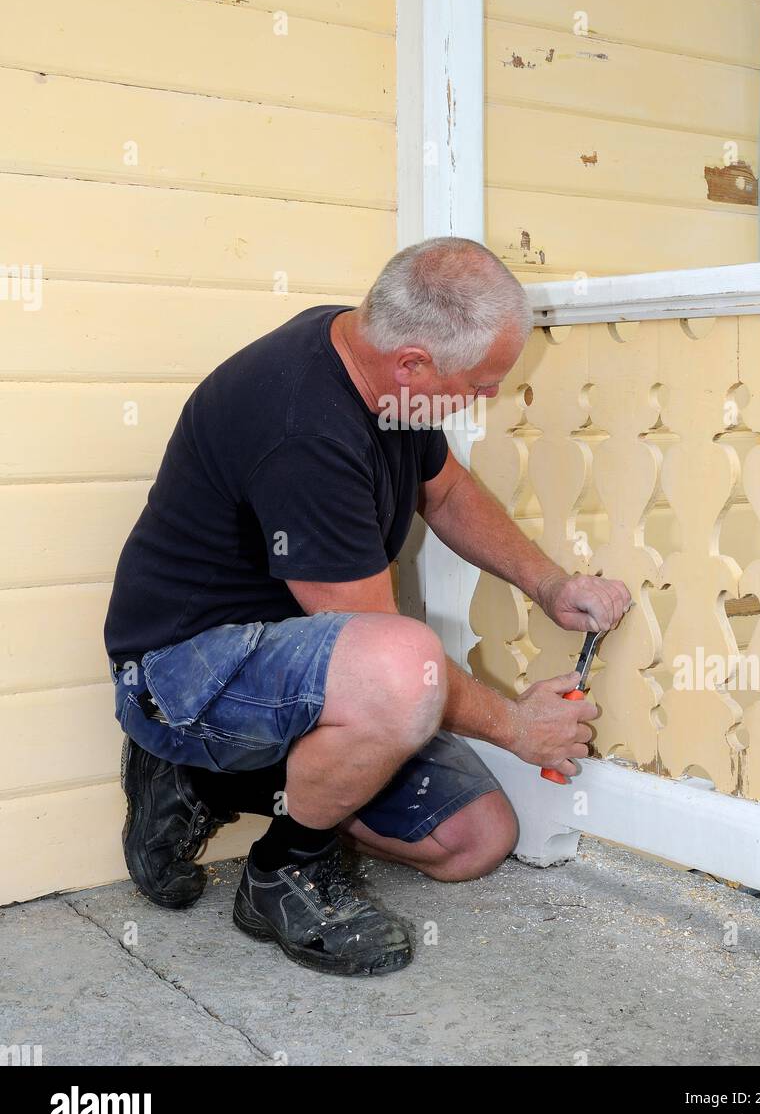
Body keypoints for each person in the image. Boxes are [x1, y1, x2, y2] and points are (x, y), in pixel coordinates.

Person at [105, 237, 630, 976]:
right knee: (399, 659)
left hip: (296, 671)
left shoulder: (373, 363)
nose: (487, 400)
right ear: (413, 362)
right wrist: (517, 727)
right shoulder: (299, 426)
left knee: (473, 842)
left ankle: (215, 779)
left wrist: (548, 584)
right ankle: (282, 870)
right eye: (481, 384)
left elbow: (442, 489)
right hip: (183, 673)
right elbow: (388, 661)